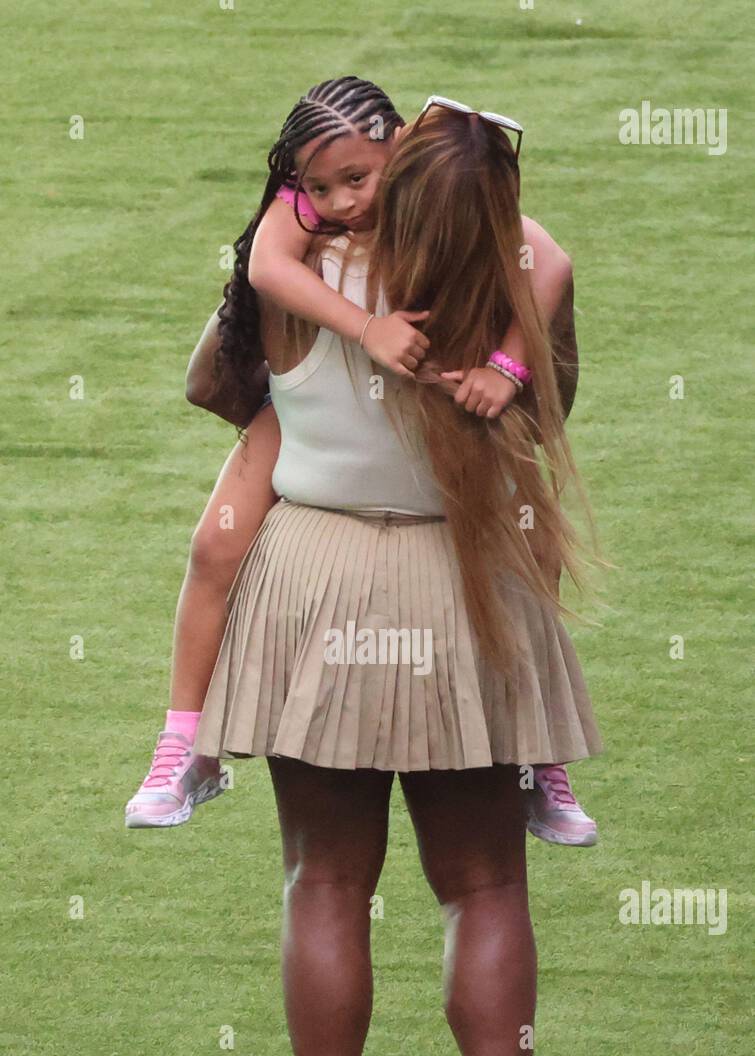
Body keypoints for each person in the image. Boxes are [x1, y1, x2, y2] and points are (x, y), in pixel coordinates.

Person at [187, 94, 603, 1056]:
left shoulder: (291, 269)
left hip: (312, 579)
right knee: (481, 882)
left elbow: (214, 378)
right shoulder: (492, 284)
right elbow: (550, 374)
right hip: (461, 582)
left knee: (324, 877)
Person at [125, 76, 597, 846]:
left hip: (460, 433)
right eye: (320, 185)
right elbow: (268, 270)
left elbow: (547, 261)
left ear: (401, 150)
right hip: (306, 409)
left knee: (529, 550)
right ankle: (186, 744)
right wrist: (366, 327)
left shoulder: (445, 198)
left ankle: (537, 761)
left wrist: (506, 370)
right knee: (214, 547)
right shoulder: (302, 206)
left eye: (357, 179)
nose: (341, 201)